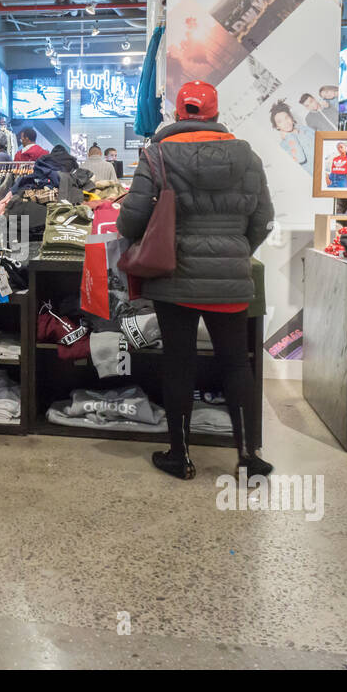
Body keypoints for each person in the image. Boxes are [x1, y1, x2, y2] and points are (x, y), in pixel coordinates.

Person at [117, 80, 274, 482]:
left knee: (178, 365)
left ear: (178, 114)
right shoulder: (249, 157)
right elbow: (263, 219)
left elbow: (131, 220)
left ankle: (180, 457)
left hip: (174, 276)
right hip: (230, 279)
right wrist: (235, 249)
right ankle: (248, 457)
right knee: (236, 364)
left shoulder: (158, 156)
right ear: (217, 114)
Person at [269, 101, 315, 174]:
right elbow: (300, 158)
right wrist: (289, 137)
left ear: (291, 117)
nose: (285, 122)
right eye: (280, 121)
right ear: (277, 126)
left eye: (286, 118)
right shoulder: (284, 145)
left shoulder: (304, 128)